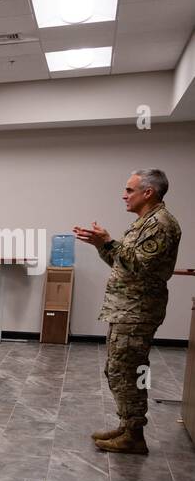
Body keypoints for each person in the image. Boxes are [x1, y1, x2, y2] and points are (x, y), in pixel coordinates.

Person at [74, 168, 183, 454]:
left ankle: (134, 435)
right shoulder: (143, 223)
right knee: (118, 370)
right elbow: (124, 263)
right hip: (127, 310)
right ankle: (127, 425)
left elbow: (141, 266)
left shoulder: (159, 224)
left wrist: (109, 241)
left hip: (138, 311)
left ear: (148, 192)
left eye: (129, 190)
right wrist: (103, 245)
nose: (124, 195)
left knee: (128, 370)